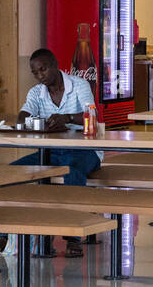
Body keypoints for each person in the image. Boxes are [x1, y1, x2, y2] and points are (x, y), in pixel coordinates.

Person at [10, 48, 102, 256]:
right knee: (12, 172)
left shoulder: (79, 85)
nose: (39, 75)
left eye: (43, 69)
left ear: (55, 65)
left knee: (72, 172)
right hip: (51, 151)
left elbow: (91, 114)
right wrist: (30, 120)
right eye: (35, 72)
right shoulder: (36, 92)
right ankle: (11, 235)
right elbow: (22, 116)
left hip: (85, 150)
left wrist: (67, 118)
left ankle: (74, 236)